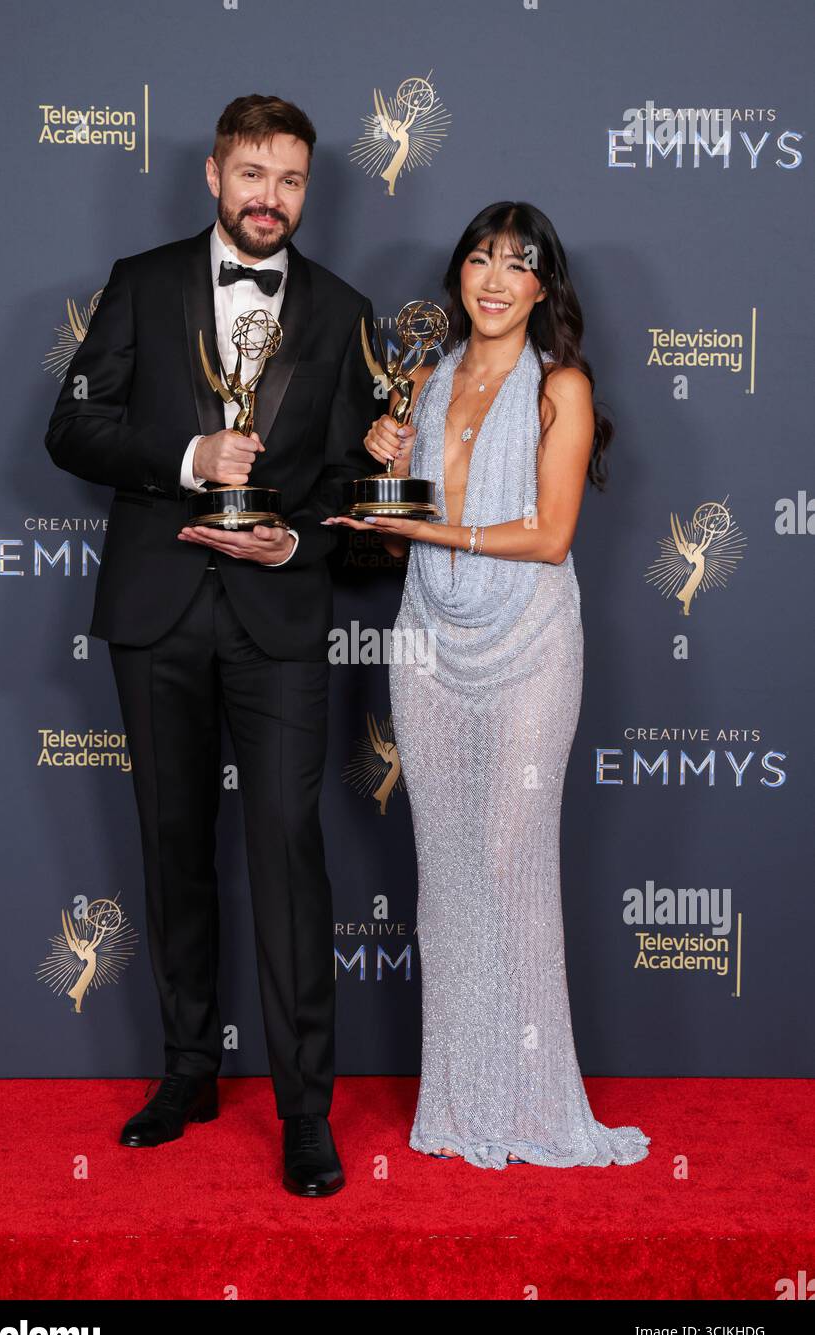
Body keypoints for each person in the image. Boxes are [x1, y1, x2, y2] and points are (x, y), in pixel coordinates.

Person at [45, 94, 379, 1196]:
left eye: (288, 181)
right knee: (172, 845)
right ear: (212, 176)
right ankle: (188, 1069)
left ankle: (303, 1110)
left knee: (288, 854)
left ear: (307, 188)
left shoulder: (342, 310)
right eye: (251, 175)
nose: (267, 199)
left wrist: (297, 537)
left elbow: (344, 487)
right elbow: (72, 426)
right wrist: (190, 456)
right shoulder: (140, 282)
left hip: (278, 618)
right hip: (156, 614)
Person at [326, 202, 651, 1170]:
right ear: (458, 276)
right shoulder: (419, 382)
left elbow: (549, 536)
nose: (494, 278)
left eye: (517, 263)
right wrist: (382, 477)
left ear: (543, 285)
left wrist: (422, 531)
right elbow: (393, 537)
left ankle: (535, 1097)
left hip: (528, 645)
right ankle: (461, 1098)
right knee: (448, 873)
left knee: (509, 863)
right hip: (428, 638)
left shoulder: (563, 387)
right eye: (478, 258)